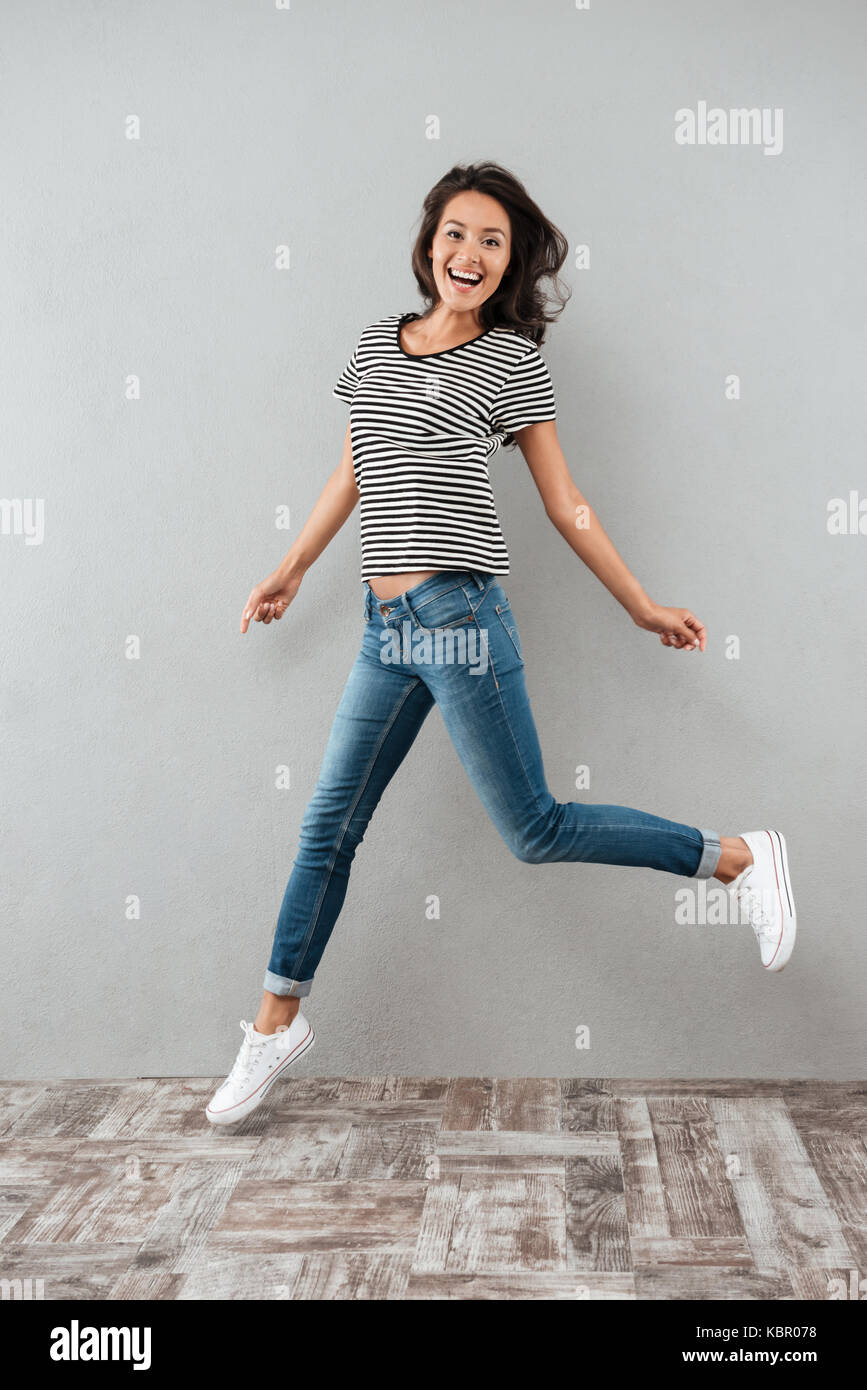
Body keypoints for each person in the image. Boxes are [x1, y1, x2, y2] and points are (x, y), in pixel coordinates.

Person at [206, 161, 796, 1126]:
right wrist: (292, 567)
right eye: (454, 233)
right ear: (428, 241)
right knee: (325, 829)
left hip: (459, 622)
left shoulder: (511, 361)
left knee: (534, 831)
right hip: (385, 630)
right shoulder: (373, 343)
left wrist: (639, 603)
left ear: (510, 259)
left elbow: (564, 503)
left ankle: (736, 859)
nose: (468, 254)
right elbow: (355, 468)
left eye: (491, 241)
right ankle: (274, 1025)